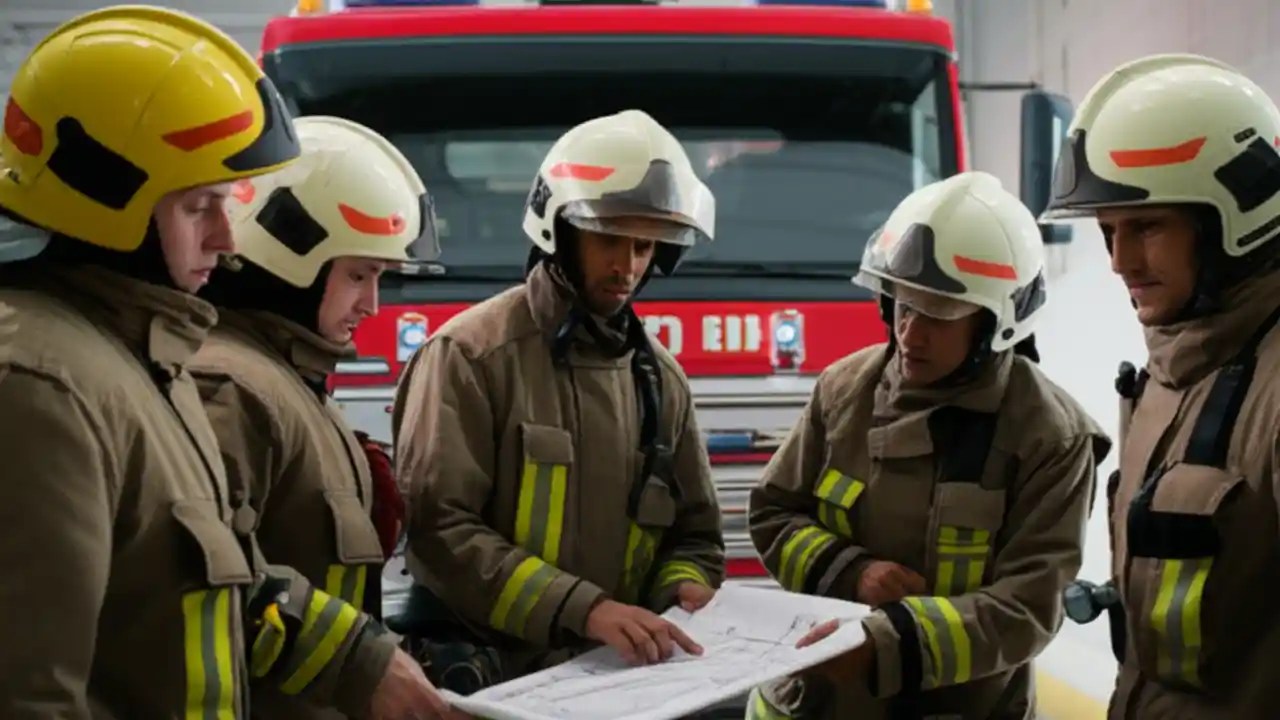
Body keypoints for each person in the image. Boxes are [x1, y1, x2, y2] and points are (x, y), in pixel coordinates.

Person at [0, 7, 455, 718]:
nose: (225, 235)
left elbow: (201, 584)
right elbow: (27, 692)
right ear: (105, 195)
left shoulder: (144, 365)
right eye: (198, 207)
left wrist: (359, 661)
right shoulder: (43, 387)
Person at [746, 171, 1111, 719]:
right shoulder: (844, 390)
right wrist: (853, 571)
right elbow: (774, 514)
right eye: (903, 305)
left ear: (994, 326)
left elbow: (1028, 608)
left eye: (938, 315)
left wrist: (888, 645)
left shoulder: (1049, 436)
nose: (910, 334)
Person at [391, 109, 726, 693]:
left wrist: (683, 589)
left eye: (646, 246)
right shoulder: (471, 355)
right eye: (609, 240)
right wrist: (586, 609)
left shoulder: (660, 379)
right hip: (491, 683)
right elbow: (439, 530)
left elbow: (694, 534)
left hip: (617, 683)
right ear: (559, 231)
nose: (628, 267)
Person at [189, 114, 456, 719]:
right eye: (358, 275)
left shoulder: (289, 381)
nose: (373, 304)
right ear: (288, 261)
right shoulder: (231, 389)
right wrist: (362, 664)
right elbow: (201, 585)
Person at [1041, 53, 1280, 719]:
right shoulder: (1175, 372)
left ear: (1234, 218)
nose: (1119, 263)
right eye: (1108, 231)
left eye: (1146, 227)